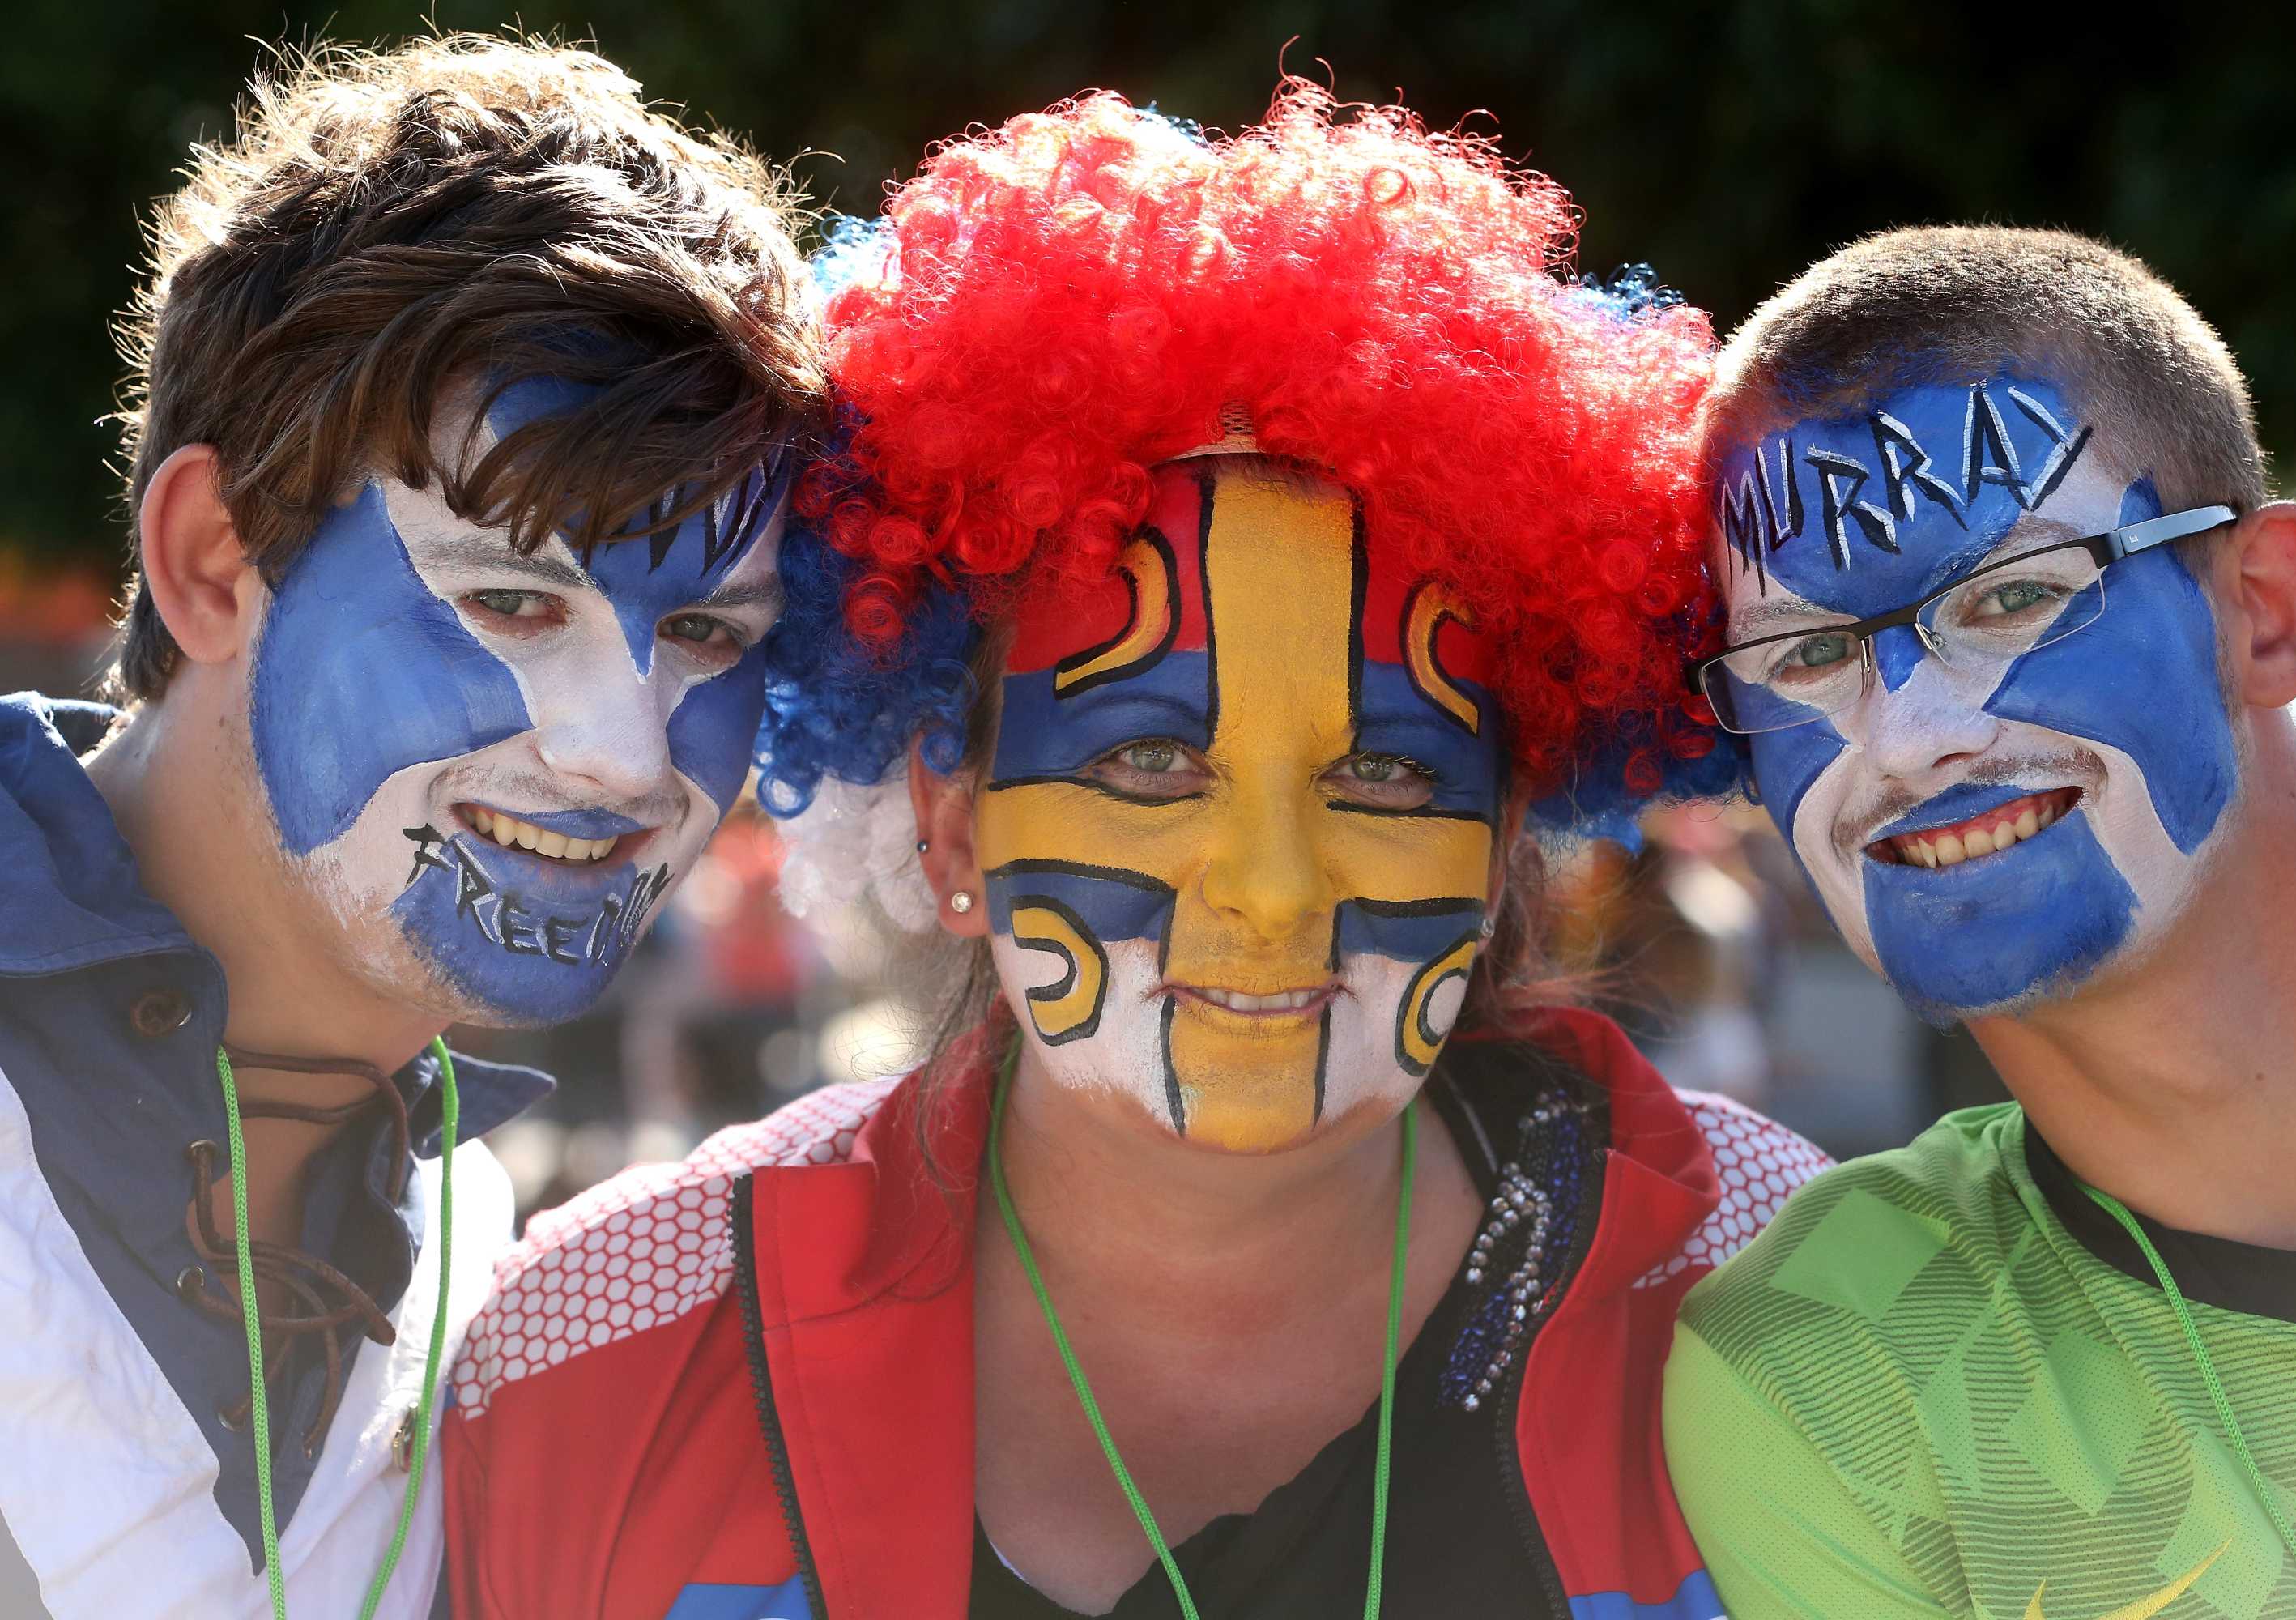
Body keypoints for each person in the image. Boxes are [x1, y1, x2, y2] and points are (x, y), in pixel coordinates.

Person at [441, 85, 1830, 1620]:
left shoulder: (1796, 1308)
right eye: (1151, 759)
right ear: (952, 823)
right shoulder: (603, 1350)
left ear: (1503, 841)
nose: (1276, 887)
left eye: (1381, 772)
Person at [0, 34, 821, 1619]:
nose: (624, 761)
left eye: (712, 635)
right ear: (214, 563)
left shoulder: (469, 1245)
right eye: (513, 601)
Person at [1663, 227, 2296, 1618]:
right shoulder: (1838, 1360)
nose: (1910, 740)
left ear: (2264, 611)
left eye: (2014, 595)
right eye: (1811, 657)